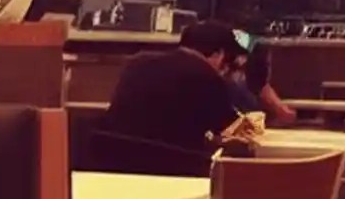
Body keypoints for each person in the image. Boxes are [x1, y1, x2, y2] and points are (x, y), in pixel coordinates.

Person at [91, 21, 242, 176]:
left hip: (112, 162)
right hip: (174, 169)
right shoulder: (207, 76)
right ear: (219, 55)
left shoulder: (137, 62)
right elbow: (234, 130)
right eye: (229, 62)